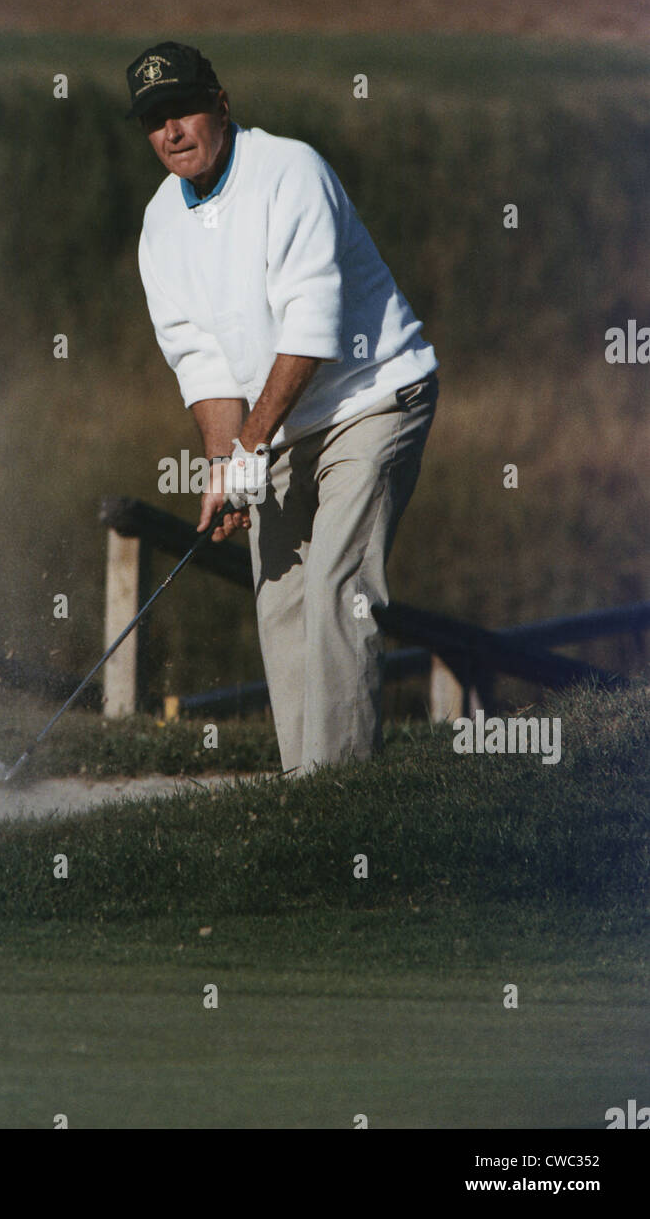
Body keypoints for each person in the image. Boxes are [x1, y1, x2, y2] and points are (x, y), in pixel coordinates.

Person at [126, 41, 438, 774]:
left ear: (222, 105)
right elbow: (200, 361)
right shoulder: (159, 225)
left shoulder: (288, 171)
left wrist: (248, 450)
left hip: (376, 394)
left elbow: (311, 328)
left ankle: (340, 785)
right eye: (153, 120)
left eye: (183, 111)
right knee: (279, 596)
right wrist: (224, 464)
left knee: (335, 581)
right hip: (283, 425)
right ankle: (305, 788)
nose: (171, 132)